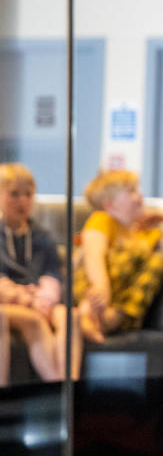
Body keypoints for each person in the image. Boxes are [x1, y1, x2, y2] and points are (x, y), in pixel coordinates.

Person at [73, 169, 163, 343]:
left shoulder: (149, 234)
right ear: (110, 205)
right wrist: (101, 288)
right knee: (123, 254)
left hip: (125, 308)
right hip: (95, 293)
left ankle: (107, 320)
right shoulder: (102, 219)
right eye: (131, 191)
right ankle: (88, 315)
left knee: (155, 260)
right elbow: (93, 255)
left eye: (138, 189)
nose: (140, 196)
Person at [0, 163, 79, 381]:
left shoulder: (42, 236)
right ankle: (55, 385)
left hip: (39, 300)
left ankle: (68, 386)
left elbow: (53, 272)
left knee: (70, 316)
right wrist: (21, 297)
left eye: (28, 194)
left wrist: (45, 298)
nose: (22, 201)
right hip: (12, 302)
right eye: (14, 194)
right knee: (35, 321)